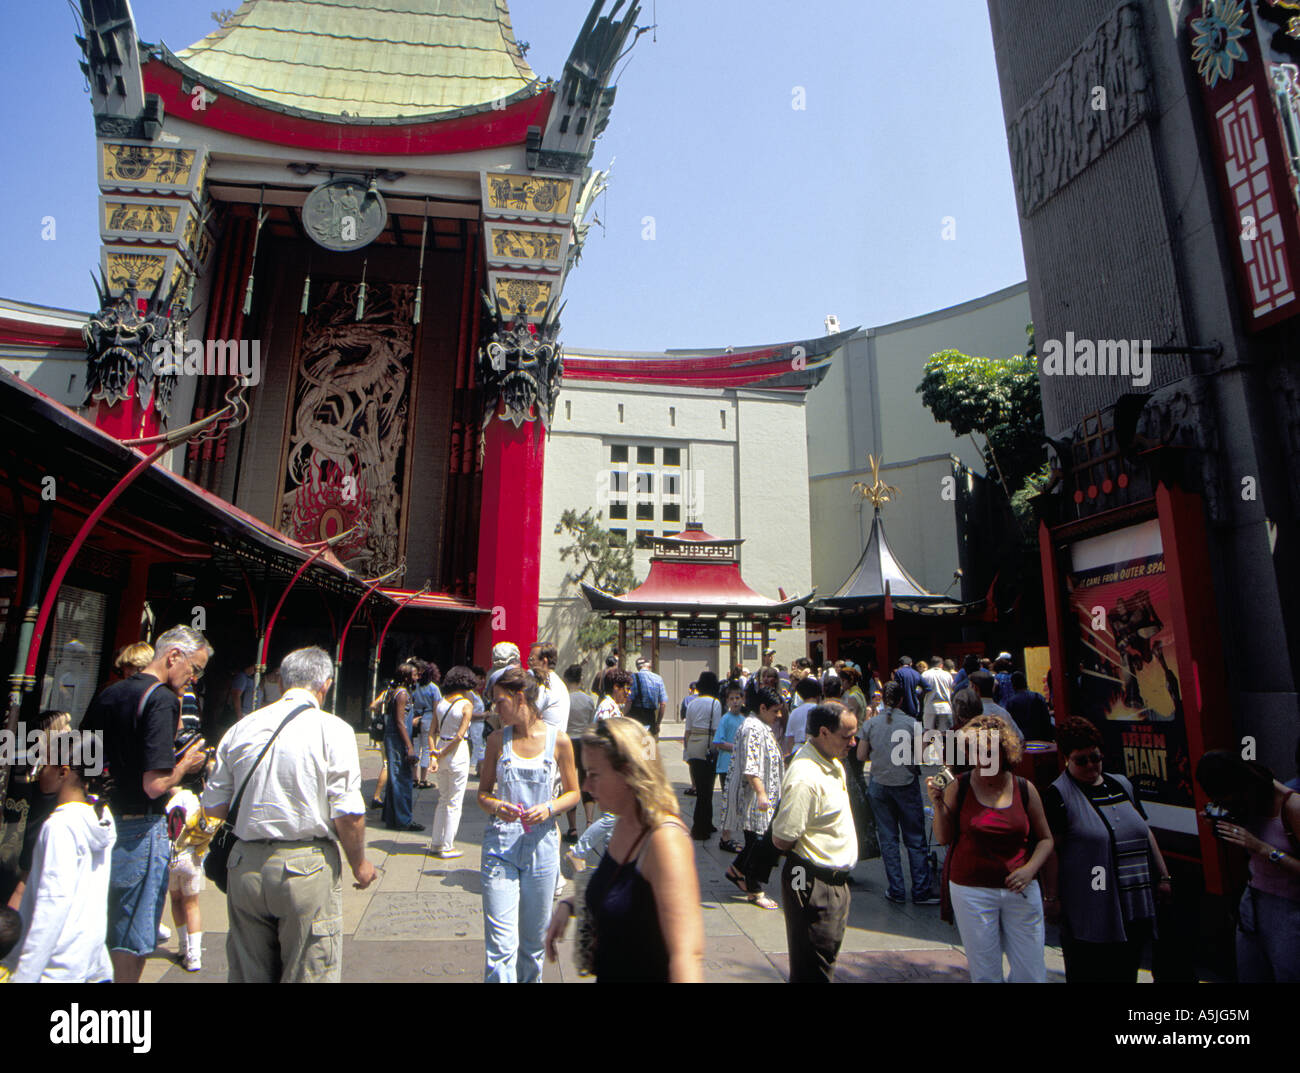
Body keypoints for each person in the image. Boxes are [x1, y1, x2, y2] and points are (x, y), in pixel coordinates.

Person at [202, 646, 377, 983]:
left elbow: (214, 808)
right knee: (309, 971)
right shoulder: (333, 730)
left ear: (281, 682)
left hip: (244, 865)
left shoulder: (242, 728)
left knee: (248, 972)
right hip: (306, 867)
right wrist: (359, 864)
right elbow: (348, 811)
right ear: (325, 685)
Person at [80, 625, 210, 984]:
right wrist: (185, 766)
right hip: (140, 829)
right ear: (173, 657)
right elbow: (154, 785)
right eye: (194, 669)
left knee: (98, 925)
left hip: (99, 822)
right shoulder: (164, 698)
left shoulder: (111, 691)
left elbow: (79, 756)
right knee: (133, 938)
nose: (192, 678)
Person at [546, 717, 704, 981]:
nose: (586, 786)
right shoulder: (623, 823)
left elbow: (687, 954)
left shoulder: (665, 841)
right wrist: (569, 905)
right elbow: (622, 892)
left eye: (594, 775)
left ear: (629, 772)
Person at [1041, 717, 1170, 982]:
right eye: (1081, 760)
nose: (1091, 766)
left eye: (1095, 758)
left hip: (1133, 901)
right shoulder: (1058, 795)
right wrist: (1052, 899)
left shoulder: (1121, 785)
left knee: (1126, 971)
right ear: (1067, 759)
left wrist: (1164, 876)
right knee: (1090, 972)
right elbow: (1051, 850)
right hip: (1090, 907)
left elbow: (1145, 832)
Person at [928, 714, 1054, 983]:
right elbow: (943, 837)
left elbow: (1046, 839)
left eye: (984, 752)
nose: (978, 759)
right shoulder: (959, 786)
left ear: (1002, 751)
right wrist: (938, 806)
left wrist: (1030, 870)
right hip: (971, 890)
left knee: (1032, 974)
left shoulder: (1024, 788)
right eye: (971, 751)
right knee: (986, 974)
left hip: (1019, 889)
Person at [478, 666, 581, 983]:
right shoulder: (498, 740)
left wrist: (549, 808)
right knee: (499, 947)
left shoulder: (559, 741)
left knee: (533, 945)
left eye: (499, 701)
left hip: (542, 847)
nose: (495, 709)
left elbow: (574, 793)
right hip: (500, 846)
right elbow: (482, 794)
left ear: (518, 697)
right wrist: (496, 805)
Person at [2, 732, 115, 983]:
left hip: (55, 970)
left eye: (44, 764)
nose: (39, 771)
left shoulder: (59, 826)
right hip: (91, 963)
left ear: (63, 772)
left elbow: (52, 904)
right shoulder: (102, 816)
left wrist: (23, 976)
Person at [771, 704, 860, 982]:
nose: (853, 743)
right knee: (813, 967)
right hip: (810, 881)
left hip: (832, 882)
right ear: (823, 732)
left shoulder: (832, 761)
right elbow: (783, 839)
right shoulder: (805, 777)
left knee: (822, 959)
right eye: (847, 736)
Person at [1195, 750, 1300, 982]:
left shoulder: (1290, 805)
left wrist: (1262, 848)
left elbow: (1265, 849)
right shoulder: (1247, 803)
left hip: (1290, 907)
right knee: (1250, 973)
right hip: (1252, 899)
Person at [860, 682, 936, 906]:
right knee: (915, 838)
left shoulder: (871, 723)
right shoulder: (912, 724)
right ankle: (921, 890)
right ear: (903, 700)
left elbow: (861, 755)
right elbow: (922, 756)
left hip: (879, 782)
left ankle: (896, 889)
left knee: (888, 839)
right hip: (906, 782)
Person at [722, 686, 785, 909]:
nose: (778, 716)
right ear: (762, 708)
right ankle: (754, 889)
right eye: (775, 711)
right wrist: (761, 793)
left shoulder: (760, 726)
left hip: (763, 796)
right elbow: (751, 766)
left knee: (755, 843)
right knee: (758, 844)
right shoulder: (753, 728)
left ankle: (737, 871)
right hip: (755, 798)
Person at [428, 666, 478, 859]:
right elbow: (460, 736)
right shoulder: (466, 705)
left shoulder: (441, 703)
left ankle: (436, 842)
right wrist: (441, 753)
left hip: (441, 748)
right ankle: (447, 845)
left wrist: (435, 755)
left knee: (443, 798)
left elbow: (432, 731)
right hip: (457, 753)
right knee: (454, 801)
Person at [380, 661, 422, 832]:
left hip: (394, 737)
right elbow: (399, 722)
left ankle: (391, 816)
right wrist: (409, 746)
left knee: (395, 777)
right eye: (414, 674)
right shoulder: (402, 694)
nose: (417, 677)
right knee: (401, 778)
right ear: (406, 676)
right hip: (398, 738)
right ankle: (403, 819)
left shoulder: (396, 692)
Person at [683, 671, 723, 841]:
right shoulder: (715, 703)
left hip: (693, 745)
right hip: (708, 746)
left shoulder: (692, 703)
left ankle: (707, 822)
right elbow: (716, 730)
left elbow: (687, 731)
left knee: (701, 788)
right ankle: (700, 827)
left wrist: (687, 749)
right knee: (707, 790)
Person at [563, 664, 598, 838]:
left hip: (568, 742)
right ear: (580, 679)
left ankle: (572, 827)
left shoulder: (564, 699)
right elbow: (592, 721)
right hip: (585, 741)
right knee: (586, 781)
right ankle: (590, 821)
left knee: (569, 783)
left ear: (566, 679)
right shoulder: (588, 699)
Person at [713, 685, 747, 853]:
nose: (735, 702)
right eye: (732, 699)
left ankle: (730, 835)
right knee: (729, 802)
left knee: (736, 802)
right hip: (726, 765)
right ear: (727, 701)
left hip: (740, 766)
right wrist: (736, 747)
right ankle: (725, 838)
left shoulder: (743, 719)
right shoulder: (725, 719)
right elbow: (718, 742)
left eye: (737, 698)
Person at [413, 660, 443, 789]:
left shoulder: (415, 687)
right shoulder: (433, 688)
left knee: (415, 748)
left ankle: (414, 778)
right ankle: (424, 779)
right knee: (426, 749)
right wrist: (437, 726)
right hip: (429, 718)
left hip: (415, 718)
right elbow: (437, 708)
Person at [529, 641, 570, 733]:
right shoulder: (558, 683)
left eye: (532, 659)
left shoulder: (545, 684)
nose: (529, 663)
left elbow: (528, 714)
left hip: (544, 742)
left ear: (544, 661)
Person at [1005, 670, 1053, 741]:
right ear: (1025, 682)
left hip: (1023, 738)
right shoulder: (1038, 696)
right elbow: (1046, 718)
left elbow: (1010, 724)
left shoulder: (1011, 702)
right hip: (1041, 736)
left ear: (1013, 685)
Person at [782, 676, 822, 757]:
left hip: (797, 750)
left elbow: (790, 738)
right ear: (818, 695)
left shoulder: (794, 712)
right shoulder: (821, 710)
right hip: (816, 751)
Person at [920, 655, 954, 733]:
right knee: (944, 733)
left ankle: (931, 744)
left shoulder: (925, 674)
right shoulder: (947, 675)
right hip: (945, 707)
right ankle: (943, 745)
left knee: (928, 733)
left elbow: (919, 690)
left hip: (930, 706)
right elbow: (952, 691)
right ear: (941, 665)